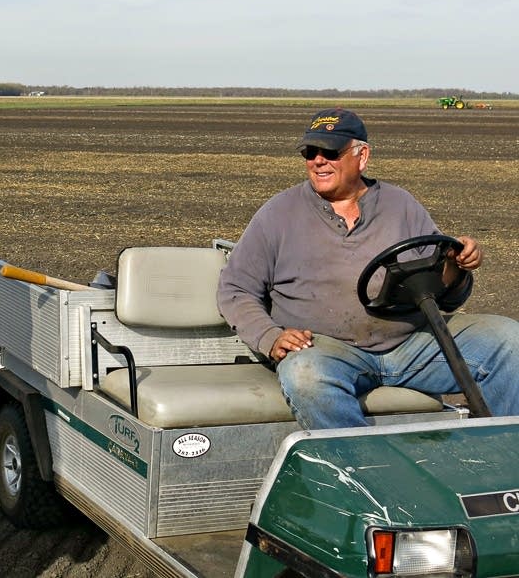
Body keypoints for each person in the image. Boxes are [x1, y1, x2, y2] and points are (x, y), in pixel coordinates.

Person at [217, 107, 519, 429]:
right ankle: (362, 471)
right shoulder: (278, 214)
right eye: (310, 152)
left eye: (330, 152)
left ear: (362, 156)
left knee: (509, 341)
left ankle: (499, 458)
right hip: (327, 349)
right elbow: (235, 289)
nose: (318, 160)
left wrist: (457, 266)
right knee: (305, 375)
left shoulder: (400, 205)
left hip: (411, 344)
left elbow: (443, 295)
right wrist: (270, 337)